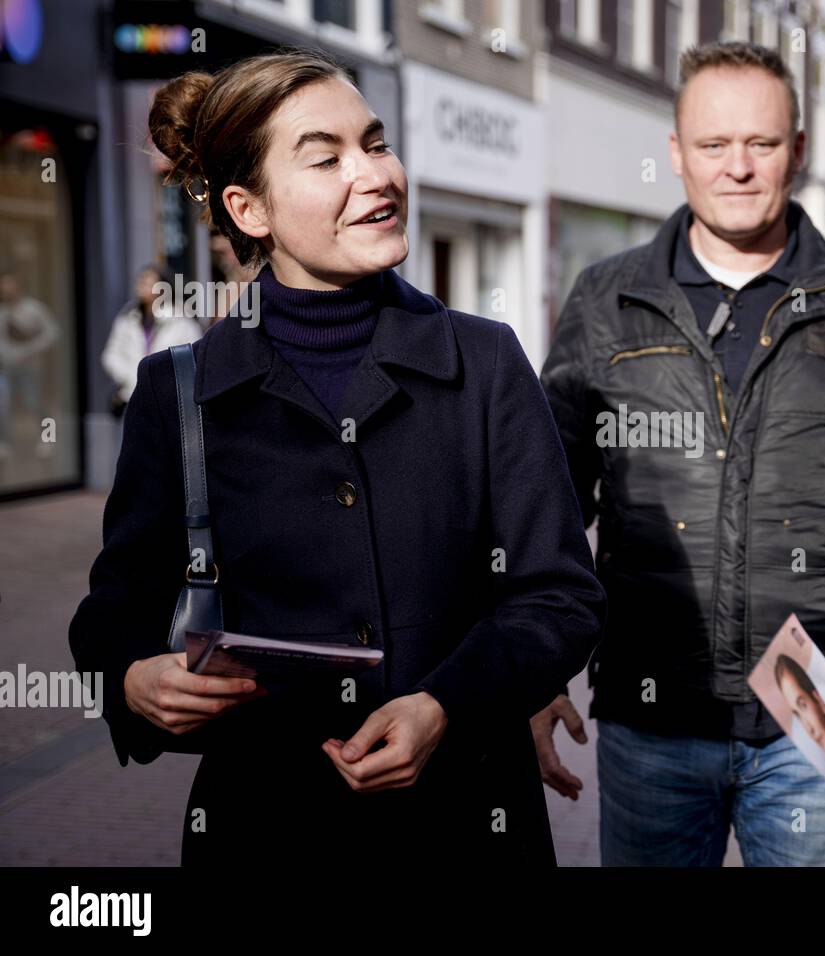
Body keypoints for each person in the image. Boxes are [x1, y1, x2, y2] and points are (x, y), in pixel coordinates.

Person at [67, 50, 604, 867]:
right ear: (250, 210)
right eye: (326, 158)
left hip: (466, 823)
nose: (375, 174)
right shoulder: (177, 392)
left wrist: (446, 705)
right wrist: (133, 680)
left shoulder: (487, 363)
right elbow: (116, 608)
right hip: (265, 825)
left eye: (377, 143)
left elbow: (559, 598)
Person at [536, 41, 825, 867]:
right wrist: (533, 671)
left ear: (798, 152)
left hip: (818, 719)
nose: (737, 167)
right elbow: (548, 504)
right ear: (676, 154)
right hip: (650, 720)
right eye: (713, 144)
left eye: (762, 144)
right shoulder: (607, 299)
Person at [101, 264, 203, 415]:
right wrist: (132, 378)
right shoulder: (127, 318)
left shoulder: (182, 322)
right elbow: (110, 355)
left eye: (148, 282)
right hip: (132, 398)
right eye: (141, 281)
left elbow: (193, 360)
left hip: (170, 402)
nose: (142, 286)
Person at [0, 270, 59, 459]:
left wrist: (30, 350)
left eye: (9, 284)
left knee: (35, 403)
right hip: (7, 368)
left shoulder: (34, 309)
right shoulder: (2, 312)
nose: (6, 288)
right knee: (3, 403)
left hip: (32, 367)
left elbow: (52, 333)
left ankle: (48, 440)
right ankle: (4, 443)